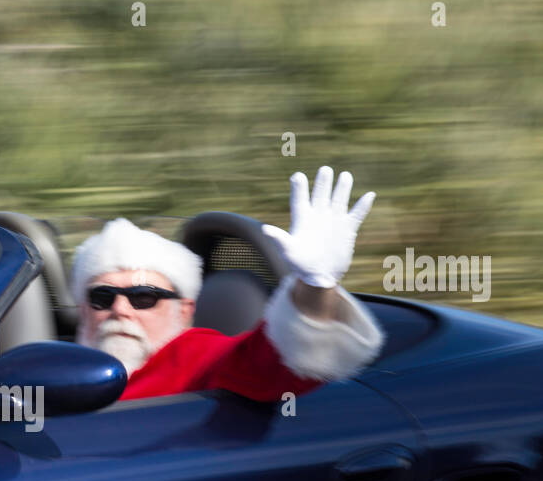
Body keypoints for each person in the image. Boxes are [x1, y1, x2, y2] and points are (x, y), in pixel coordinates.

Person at [71, 167, 385, 402]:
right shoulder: (57, 369)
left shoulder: (193, 356)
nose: (120, 309)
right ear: (84, 310)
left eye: (143, 297)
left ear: (183, 311)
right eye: (103, 296)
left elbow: (273, 365)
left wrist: (316, 284)